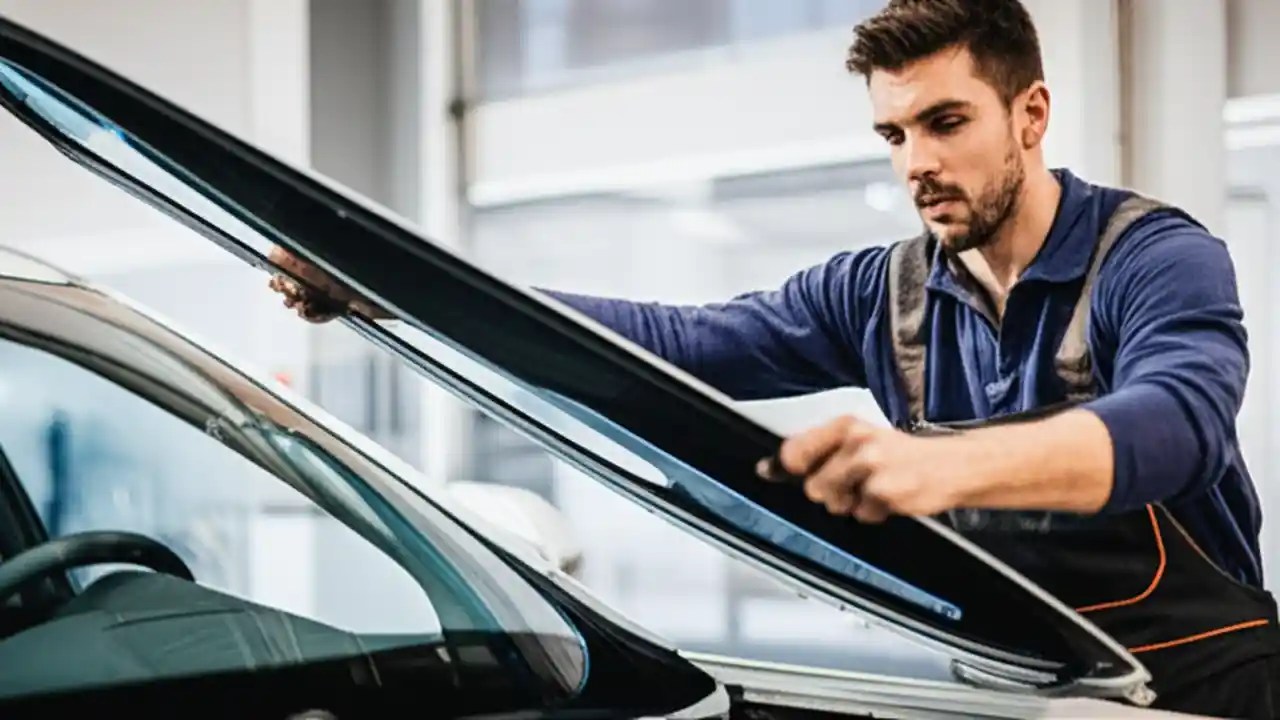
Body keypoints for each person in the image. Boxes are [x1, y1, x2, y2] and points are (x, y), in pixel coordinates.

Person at [269, 0, 1280, 714]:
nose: (914, 163)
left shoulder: (1153, 257)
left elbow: (1177, 425)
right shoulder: (876, 294)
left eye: (943, 121)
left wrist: (938, 465)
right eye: (891, 133)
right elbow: (678, 345)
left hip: (1205, 688)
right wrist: (398, 289)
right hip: (1016, 689)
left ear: (1030, 115)